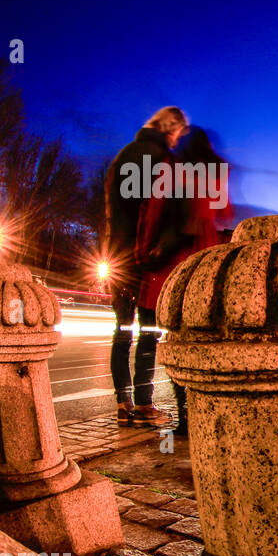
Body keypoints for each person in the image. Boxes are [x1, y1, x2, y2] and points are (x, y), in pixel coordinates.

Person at [136, 123, 226, 437]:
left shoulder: (177, 174)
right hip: (200, 265)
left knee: (169, 339)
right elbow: (220, 212)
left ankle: (186, 418)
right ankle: (199, 413)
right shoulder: (212, 177)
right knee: (193, 341)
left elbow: (157, 215)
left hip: (172, 265)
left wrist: (147, 252)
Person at [105, 107, 187, 429]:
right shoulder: (161, 159)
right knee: (149, 333)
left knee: (122, 332)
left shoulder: (123, 155)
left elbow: (115, 212)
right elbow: (159, 213)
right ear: (172, 129)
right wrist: (165, 248)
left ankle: (122, 404)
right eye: (179, 133)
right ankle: (143, 404)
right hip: (146, 258)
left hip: (117, 255)